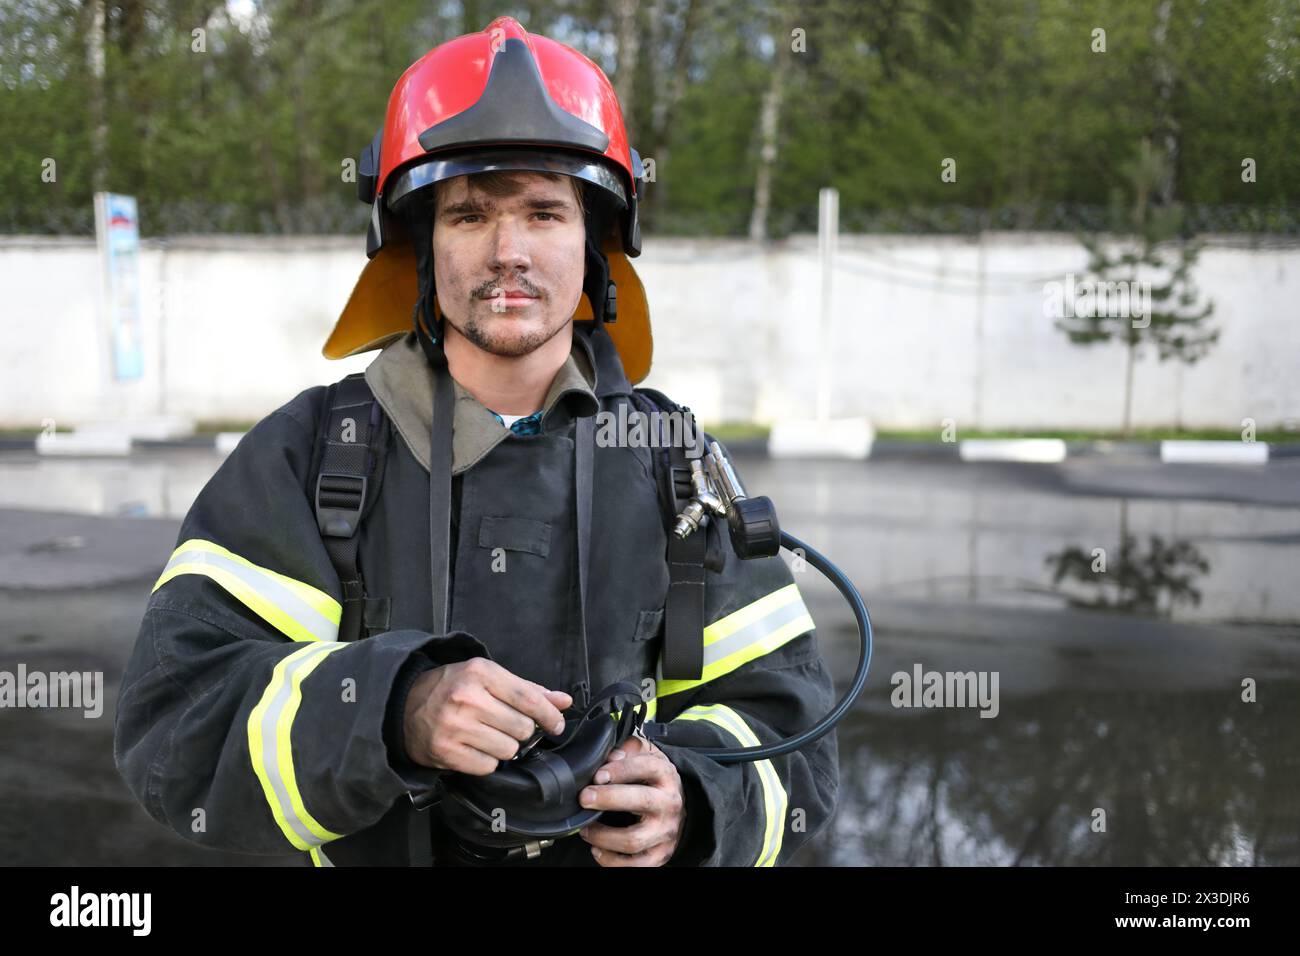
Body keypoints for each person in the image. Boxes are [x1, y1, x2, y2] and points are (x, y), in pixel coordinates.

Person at [114, 15, 838, 867]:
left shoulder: (672, 460)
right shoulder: (307, 456)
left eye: (544, 212)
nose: (509, 252)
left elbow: (795, 737)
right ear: (419, 249)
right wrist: (393, 709)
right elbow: (174, 725)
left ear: (597, 244)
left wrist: (696, 800)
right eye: (468, 215)